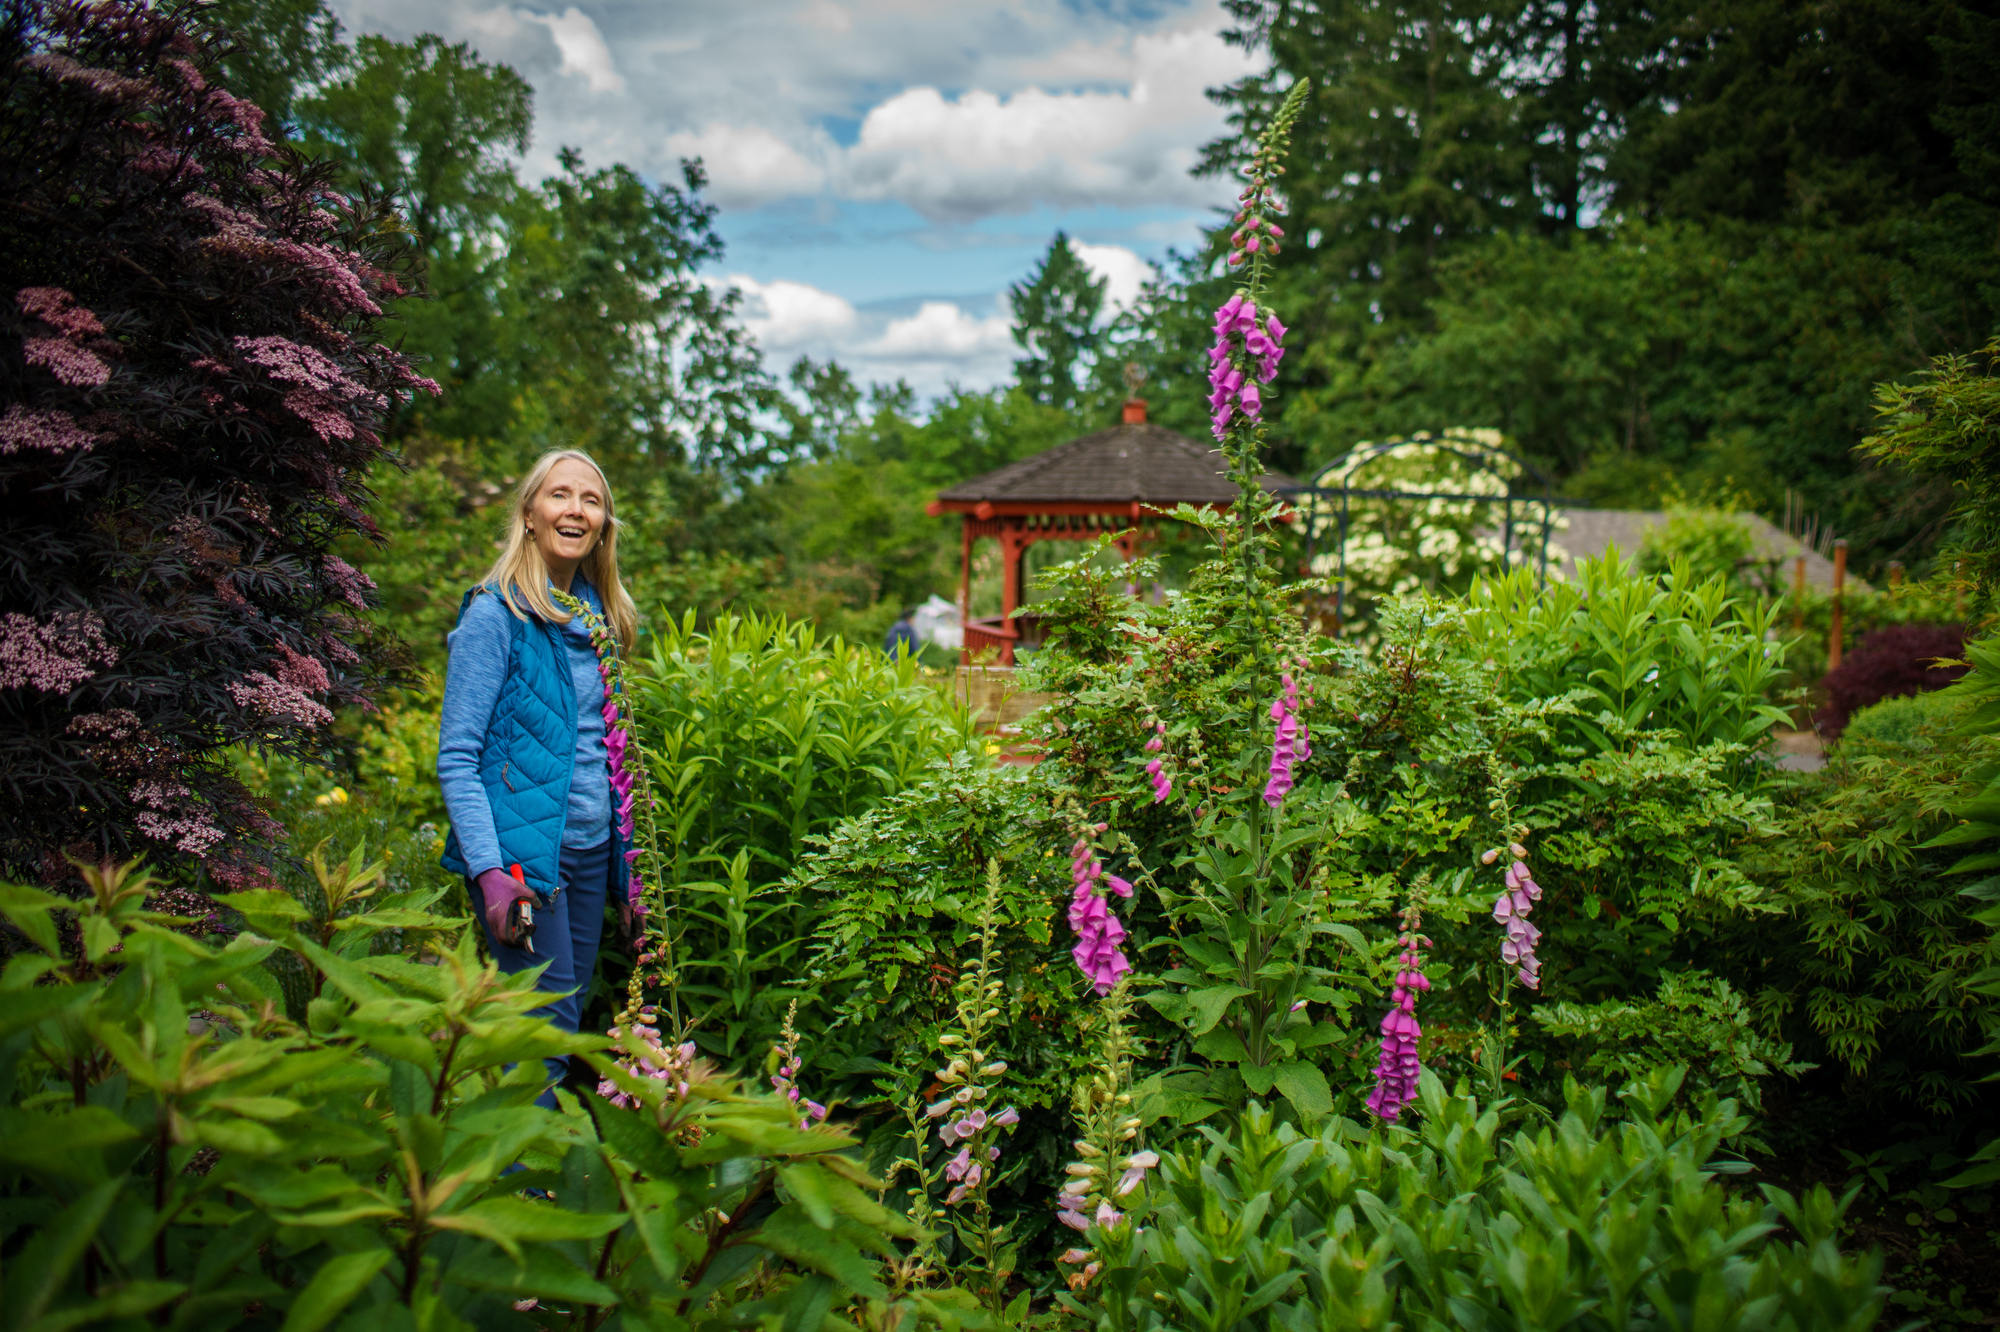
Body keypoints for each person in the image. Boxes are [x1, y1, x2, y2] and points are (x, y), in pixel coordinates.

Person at [437, 448, 639, 1109]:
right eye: (559, 495)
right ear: (529, 513)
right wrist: (489, 871)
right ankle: (522, 1197)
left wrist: (628, 871)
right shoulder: (494, 616)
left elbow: (605, 756)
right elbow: (458, 757)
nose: (575, 509)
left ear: (604, 522)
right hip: (524, 867)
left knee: (564, 1027)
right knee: (539, 1050)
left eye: (590, 499)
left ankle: (532, 1183)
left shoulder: (597, 622)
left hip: (588, 854)